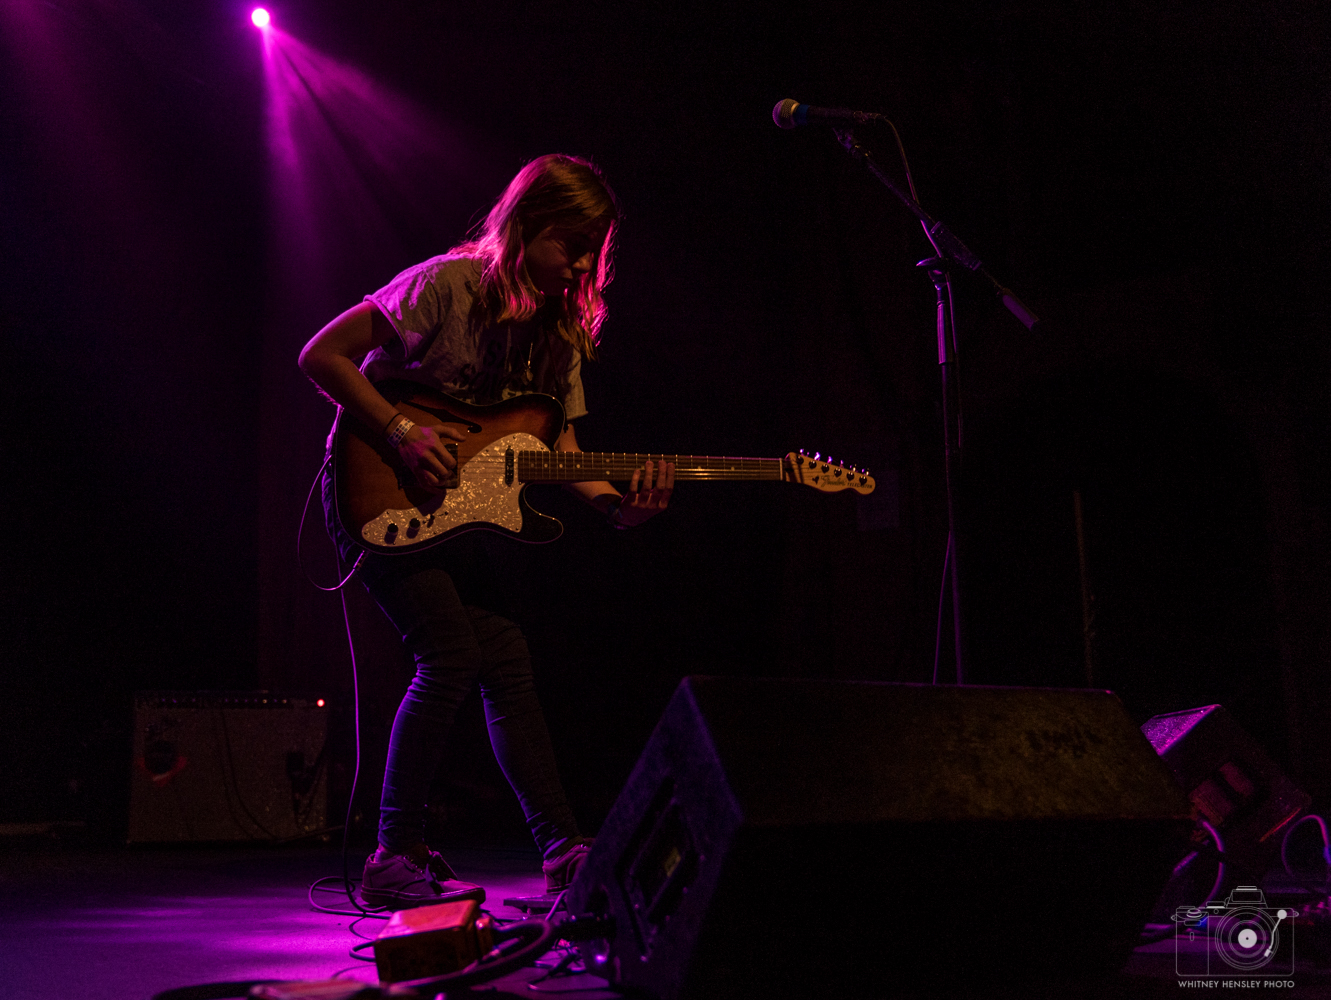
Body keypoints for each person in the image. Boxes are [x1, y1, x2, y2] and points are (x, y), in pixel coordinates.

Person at [298, 154, 674, 909]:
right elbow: (322, 354)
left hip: (458, 518)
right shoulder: (446, 283)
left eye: (588, 251)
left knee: (506, 663)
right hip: (378, 492)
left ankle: (564, 851)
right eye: (567, 243)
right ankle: (392, 853)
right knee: (450, 653)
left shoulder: (559, 326)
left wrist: (613, 507)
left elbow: (557, 450)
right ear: (527, 224)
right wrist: (401, 429)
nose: (576, 265)